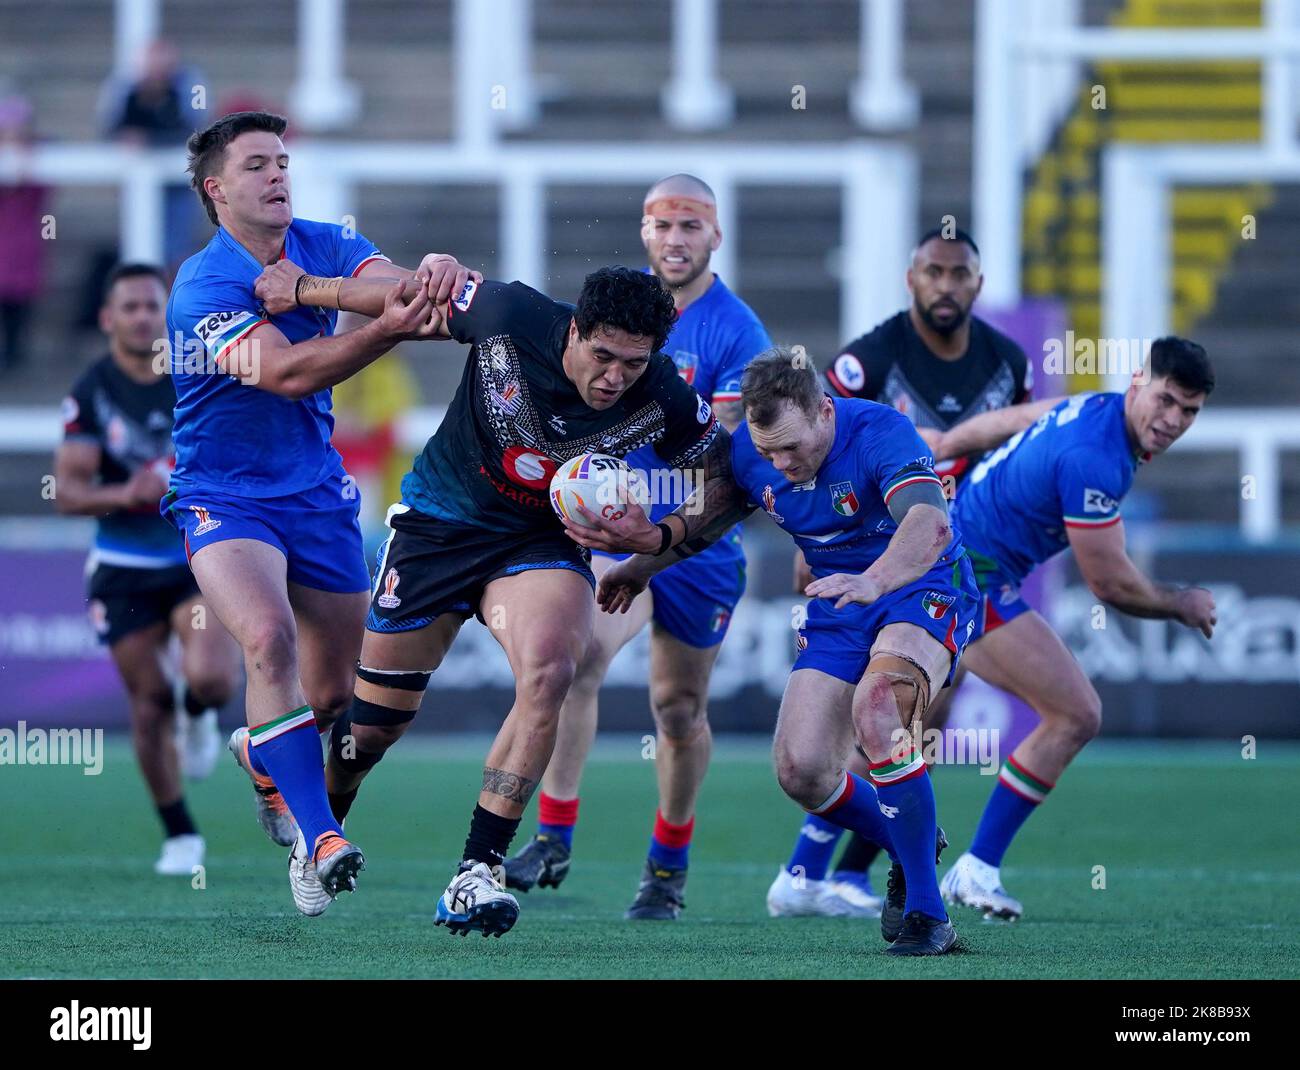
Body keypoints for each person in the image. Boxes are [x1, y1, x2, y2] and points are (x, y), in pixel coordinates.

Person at [282, 263, 728, 936]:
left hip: (539, 544)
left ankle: (476, 872)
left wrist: (659, 540)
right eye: (602, 356)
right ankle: (322, 829)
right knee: (372, 726)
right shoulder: (509, 314)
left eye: (633, 364)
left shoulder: (662, 395)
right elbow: (407, 292)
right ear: (574, 330)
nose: (614, 377)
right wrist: (299, 289)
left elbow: (727, 477)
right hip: (440, 523)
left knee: (551, 671)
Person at [164, 110, 471, 911]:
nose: (277, 176)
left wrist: (410, 283)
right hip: (222, 496)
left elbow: (394, 288)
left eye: (283, 161)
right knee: (266, 640)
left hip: (315, 492)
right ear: (216, 189)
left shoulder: (321, 240)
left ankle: (266, 762)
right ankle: (318, 838)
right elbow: (290, 372)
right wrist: (392, 324)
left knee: (333, 695)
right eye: (258, 164)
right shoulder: (202, 286)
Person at [577, 349, 981, 956]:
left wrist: (873, 580)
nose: (782, 464)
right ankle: (915, 839)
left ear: (824, 410)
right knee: (801, 770)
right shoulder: (751, 453)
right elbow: (707, 521)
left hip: (919, 589)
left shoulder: (879, 433)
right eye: (769, 452)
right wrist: (640, 567)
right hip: (839, 606)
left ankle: (928, 915)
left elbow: (930, 523)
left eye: (792, 446)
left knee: (877, 706)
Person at [503, 174, 782, 921]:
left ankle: (667, 867)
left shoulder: (737, 333)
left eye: (691, 225)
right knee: (579, 658)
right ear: (644, 233)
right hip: (612, 529)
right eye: (662, 225)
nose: (676, 238)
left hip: (695, 541)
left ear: (715, 237)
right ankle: (555, 834)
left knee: (678, 710)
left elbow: (729, 461)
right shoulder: (621, 318)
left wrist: (663, 530)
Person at [918, 338, 1217, 920]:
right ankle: (973, 867)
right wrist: (1181, 602)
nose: (1174, 420)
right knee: (1076, 714)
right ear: (1138, 381)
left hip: (957, 557)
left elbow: (1023, 415)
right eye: (1166, 400)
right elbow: (1109, 584)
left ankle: (816, 868)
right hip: (967, 573)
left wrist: (951, 440)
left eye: (1189, 411)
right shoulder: (1096, 457)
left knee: (912, 719)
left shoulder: (1098, 407)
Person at [781, 226, 1032, 916]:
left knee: (919, 715)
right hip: (873, 558)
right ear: (911, 278)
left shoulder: (1007, 361)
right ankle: (822, 869)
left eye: (959, 274)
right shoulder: (868, 361)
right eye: (933, 272)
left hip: (957, 553)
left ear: (977, 284)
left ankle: (829, 871)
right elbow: (816, 452)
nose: (945, 285)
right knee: (886, 710)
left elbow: (1003, 456)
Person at [54, 263, 240, 875]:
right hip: (124, 567)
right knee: (148, 699)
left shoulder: (195, 374)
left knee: (211, 680)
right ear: (108, 319)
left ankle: (199, 717)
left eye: (150, 306)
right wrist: (128, 492)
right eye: (128, 307)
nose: (140, 316)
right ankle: (180, 835)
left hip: (194, 554)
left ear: (167, 313)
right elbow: (69, 492)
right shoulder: (92, 390)